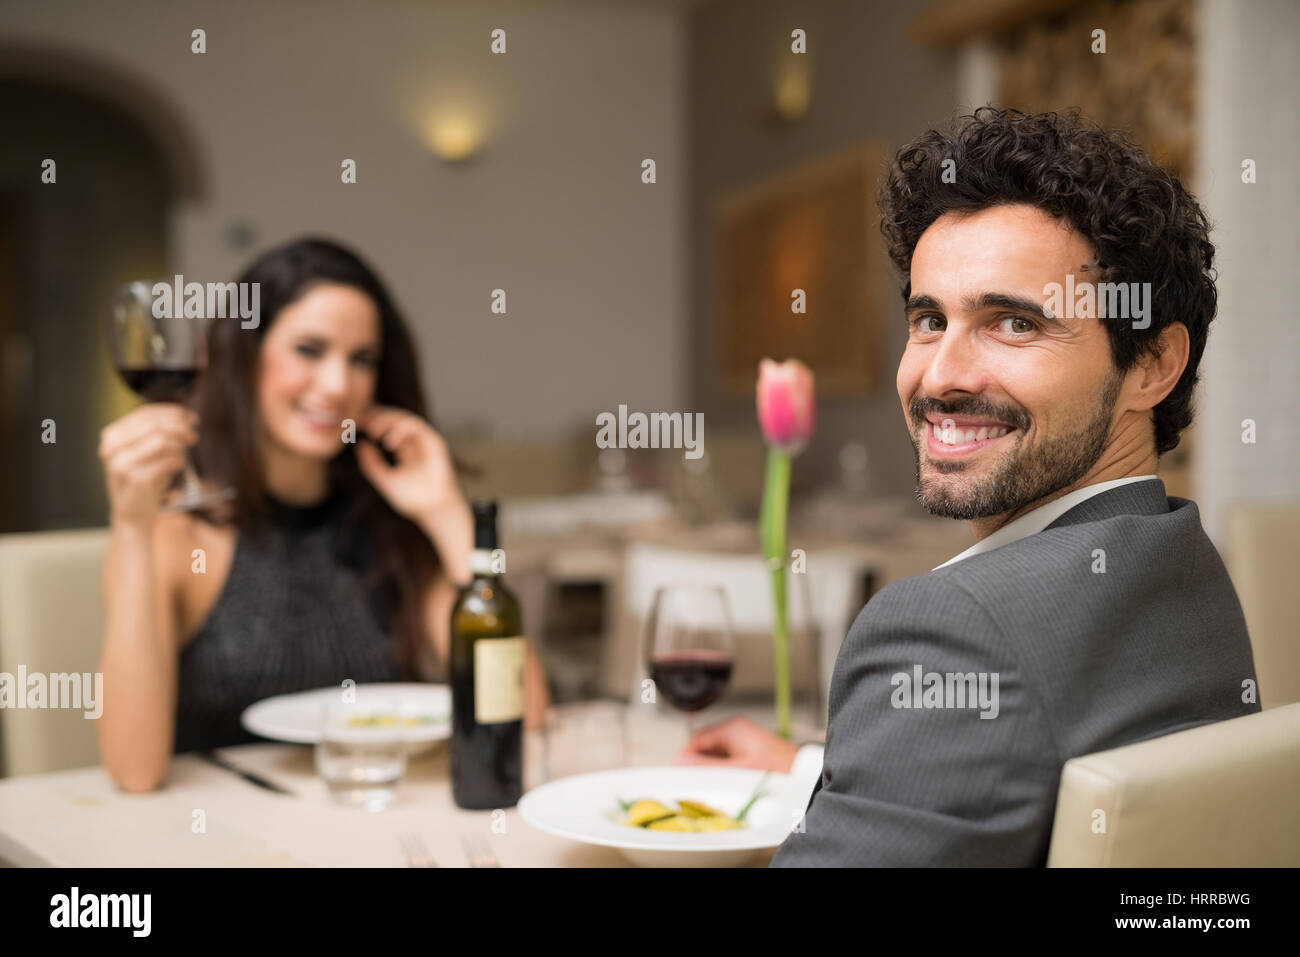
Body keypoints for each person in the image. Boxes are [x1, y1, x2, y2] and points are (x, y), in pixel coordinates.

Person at [678, 108, 1260, 865]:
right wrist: (812, 770)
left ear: (1150, 364)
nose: (942, 375)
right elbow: (1020, 764)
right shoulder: (1182, 562)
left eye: (1013, 323)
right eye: (929, 320)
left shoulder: (952, 630)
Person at [97, 237, 550, 792]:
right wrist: (131, 526)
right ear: (245, 355)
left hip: (375, 826)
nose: (338, 386)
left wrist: (446, 512)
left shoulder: (392, 527)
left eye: (362, 359)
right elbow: (134, 773)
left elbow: (524, 720)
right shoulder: (176, 531)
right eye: (309, 350)